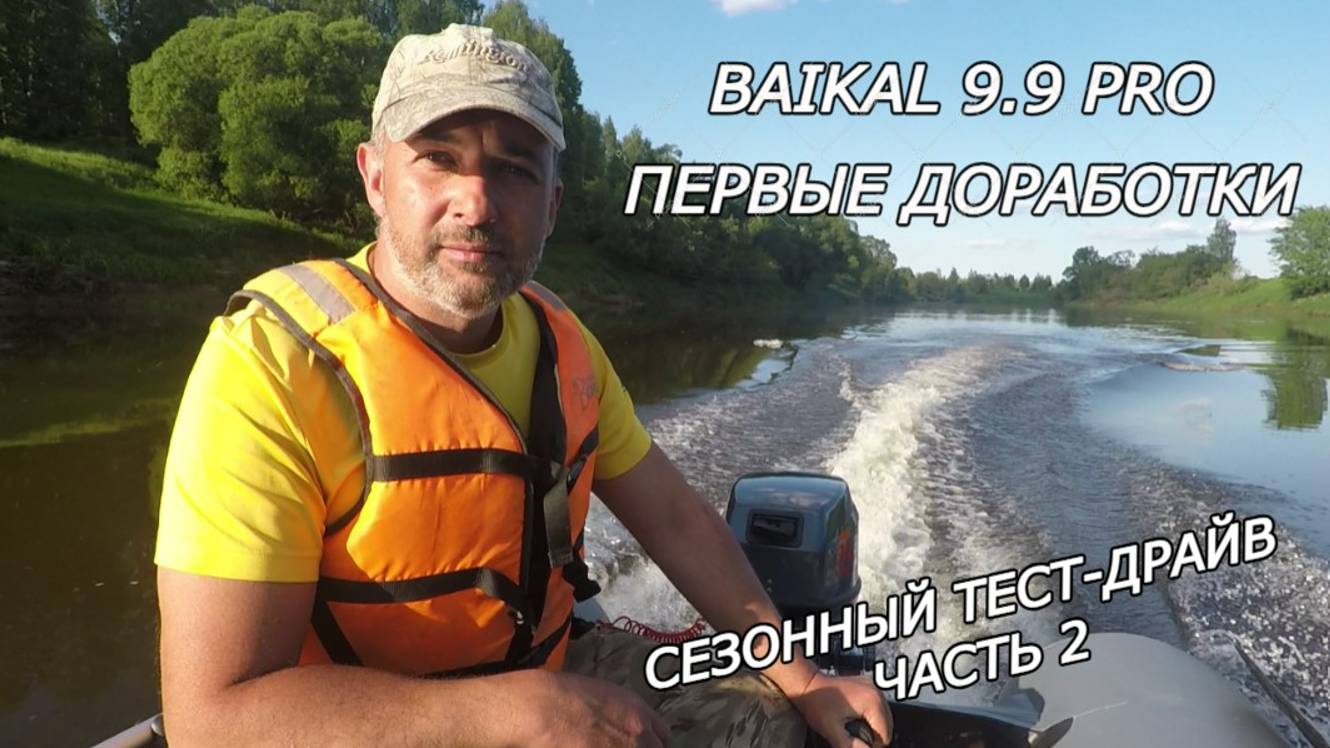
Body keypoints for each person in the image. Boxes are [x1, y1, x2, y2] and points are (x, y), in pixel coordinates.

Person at [154, 23, 892, 748]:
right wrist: (507, 716)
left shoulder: (564, 345)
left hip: (544, 668)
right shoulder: (273, 364)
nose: (476, 203)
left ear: (553, 205)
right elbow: (211, 722)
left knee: (765, 716)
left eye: (514, 170)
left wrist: (805, 680)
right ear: (375, 178)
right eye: (438, 158)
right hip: (353, 727)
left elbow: (673, 519)